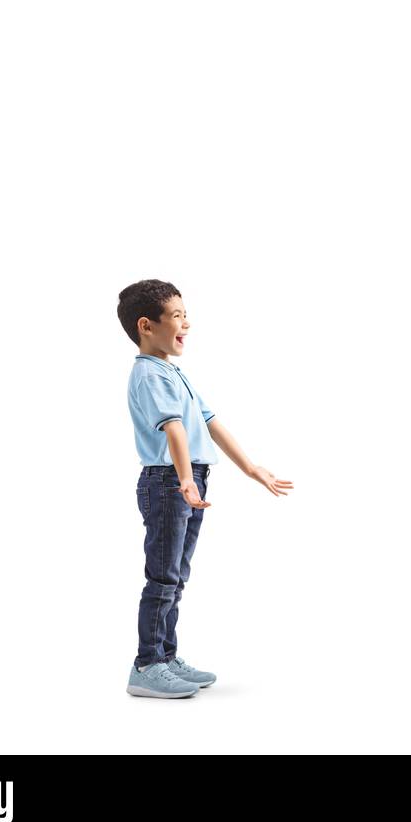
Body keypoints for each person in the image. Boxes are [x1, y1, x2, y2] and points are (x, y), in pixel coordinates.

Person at [117, 279, 293, 698]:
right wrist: (183, 480)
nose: (186, 324)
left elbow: (209, 422)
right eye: (177, 316)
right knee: (162, 578)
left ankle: (166, 655)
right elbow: (174, 430)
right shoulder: (148, 374)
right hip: (168, 483)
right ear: (146, 325)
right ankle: (147, 664)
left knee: (176, 577)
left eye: (185, 314)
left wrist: (252, 468)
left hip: (186, 480)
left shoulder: (173, 371)